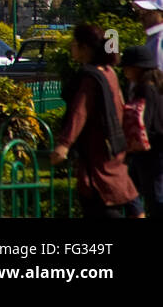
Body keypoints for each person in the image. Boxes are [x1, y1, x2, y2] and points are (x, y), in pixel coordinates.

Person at [52, 24, 142, 218]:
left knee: (101, 205)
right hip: (114, 146)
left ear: (85, 48)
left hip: (96, 152)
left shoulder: (91, 77)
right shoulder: (109, 72)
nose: (71, 48)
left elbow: (80, 112)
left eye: (74, 44)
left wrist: (64, 145)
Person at [121, 45, 163, 217]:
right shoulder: (157, 86)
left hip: (150, 151)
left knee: (154, 197)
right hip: (155, 149)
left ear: (136, 68)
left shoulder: (145, 89)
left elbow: (144, 122)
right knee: (130, 188)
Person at [132, 0, 163, 71]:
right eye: (143, 11)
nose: (142, 16)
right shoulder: (154, 36)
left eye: (149, 12)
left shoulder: (160, 38)